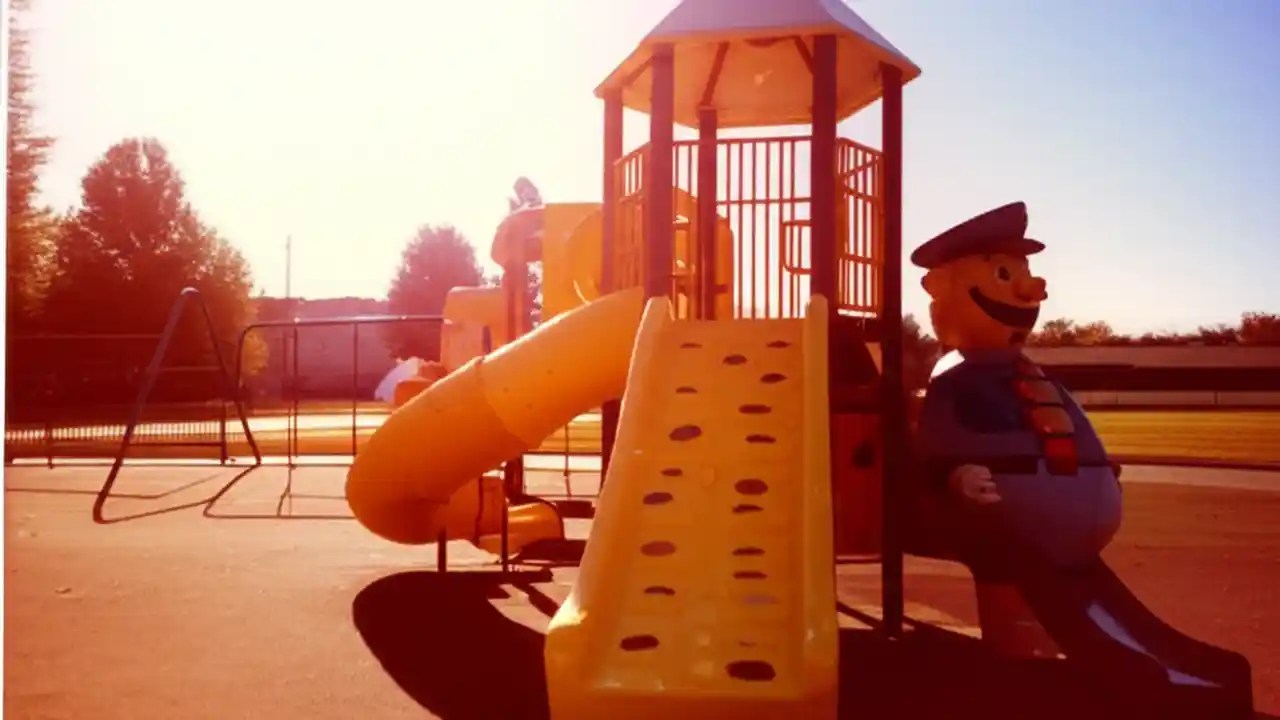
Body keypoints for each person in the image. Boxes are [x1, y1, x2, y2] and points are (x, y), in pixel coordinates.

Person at [905, 201, 1122, 577]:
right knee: (1007, 579)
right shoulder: (953, 379)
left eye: (1025, 272)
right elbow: (934, 447)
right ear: (940, 287)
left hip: (1062, 506)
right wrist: (954, 475)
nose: (1030, 290)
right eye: (1004, 273)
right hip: (1008, 514)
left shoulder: (1032, 374)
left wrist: (1098, 468)